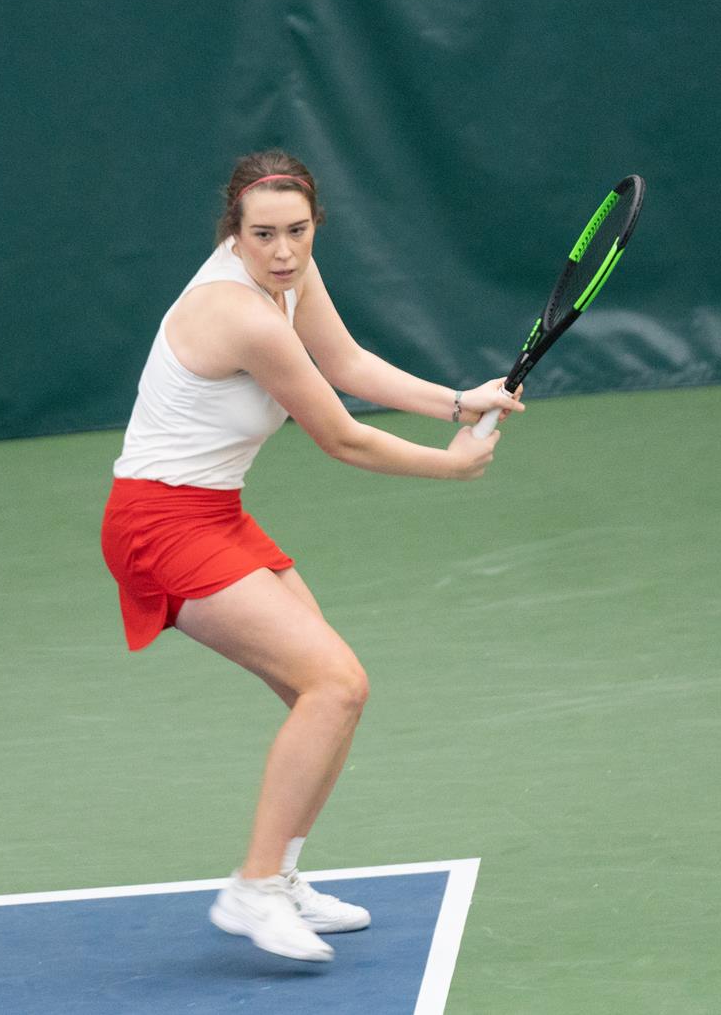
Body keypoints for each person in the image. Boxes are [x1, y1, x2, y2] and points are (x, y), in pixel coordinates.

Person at [100, 150, 523, 962]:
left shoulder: (291, 276)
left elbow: (349, 363)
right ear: (235, 230)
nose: (284, 251)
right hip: (158, 525)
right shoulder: (241, 313)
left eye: (297, 231)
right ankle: (251, 891)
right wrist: (452, 462)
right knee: (335, 682)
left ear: (314, 223)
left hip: (214, 510)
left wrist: (458, 400)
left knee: (327, 692)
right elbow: (340, 435)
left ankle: (282, 876)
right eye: (263, 235)